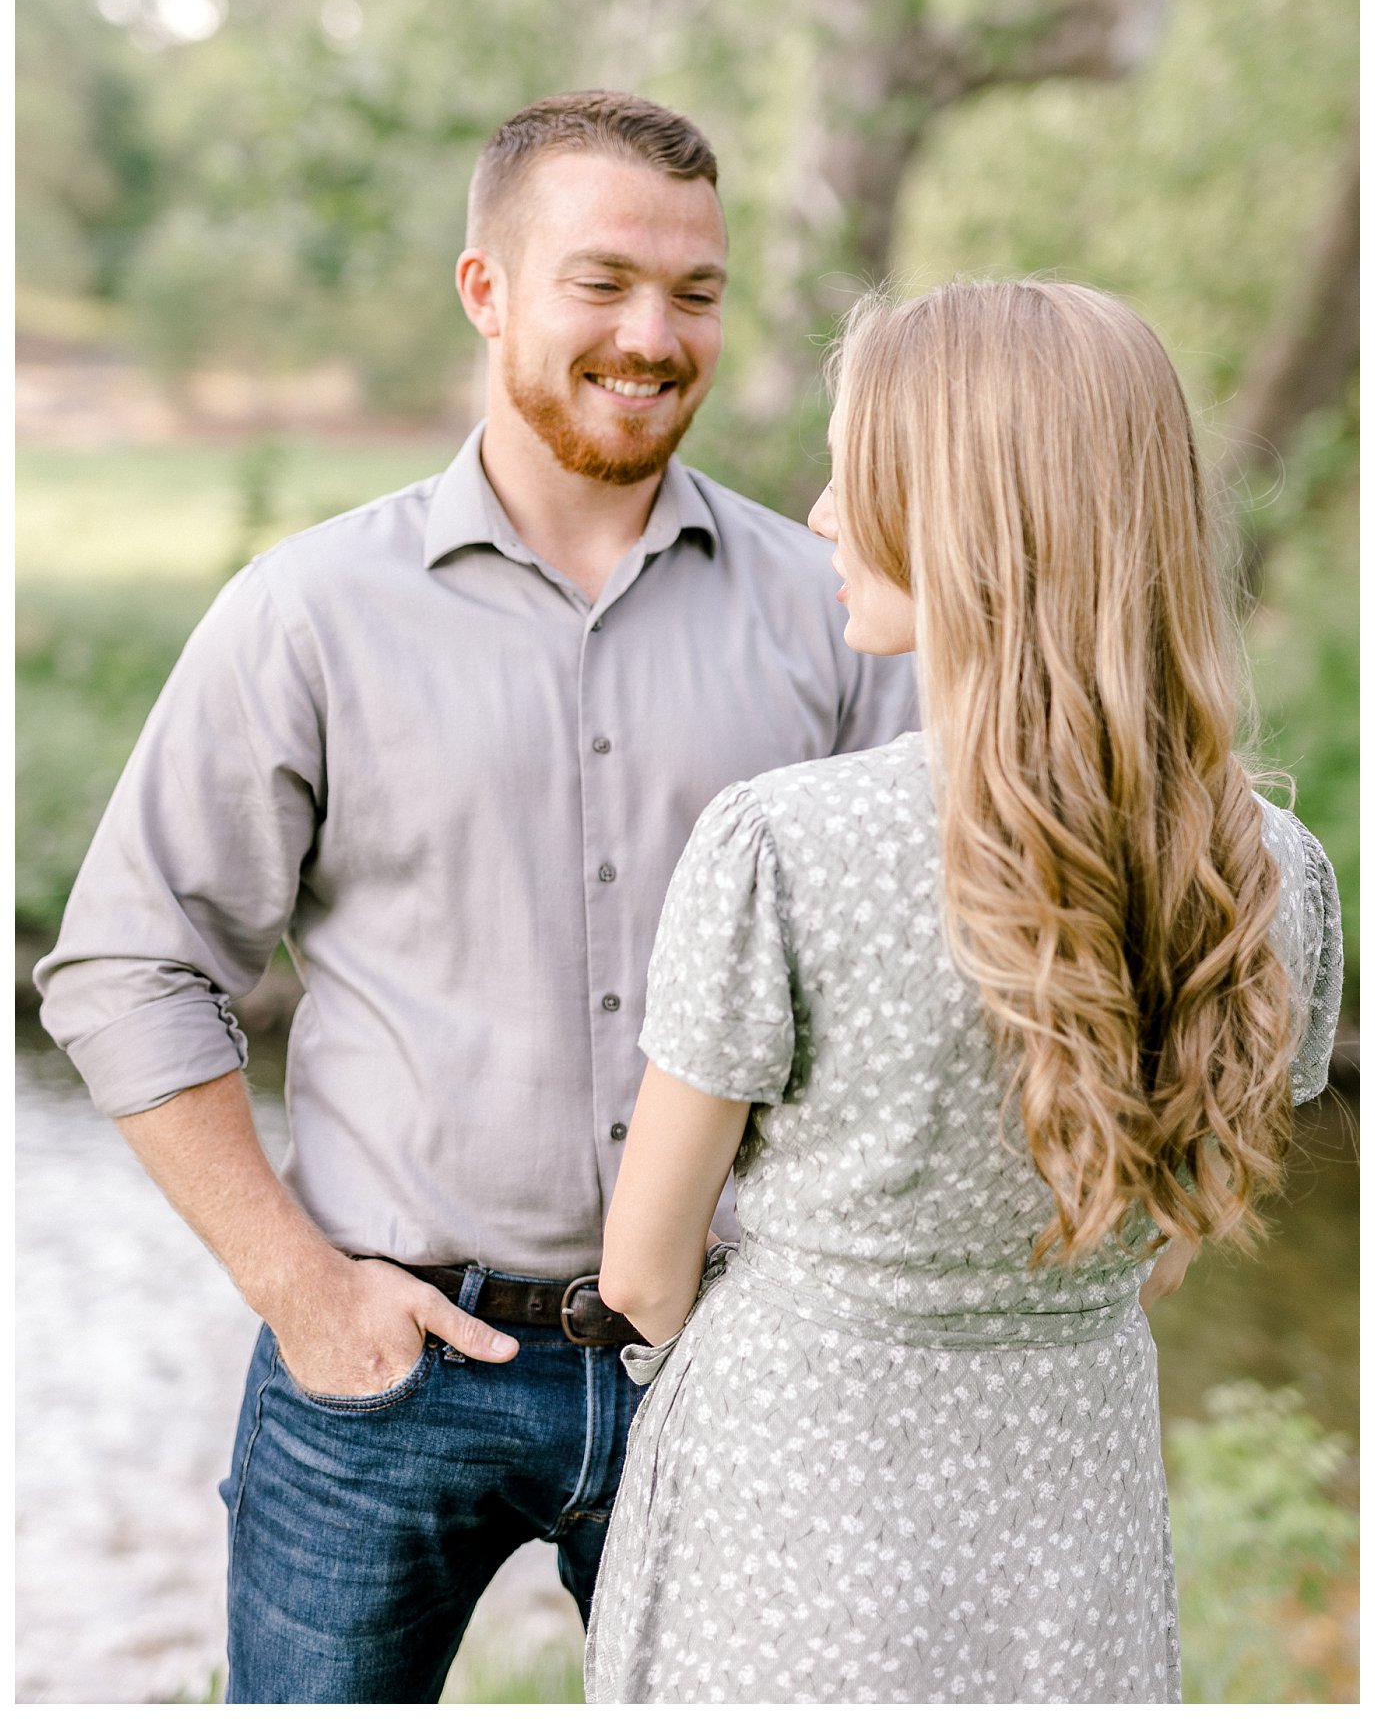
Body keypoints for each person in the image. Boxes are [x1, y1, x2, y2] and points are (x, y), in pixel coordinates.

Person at [34, 91, 916, 1705]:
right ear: (485, 290)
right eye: (603, 283)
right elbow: (124, 968)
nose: (655, 335)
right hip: (383, 1375)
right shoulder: (304, 614)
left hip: (732, 1362)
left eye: (697, 293)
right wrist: (303, 1293)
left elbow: (931, 982)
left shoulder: (834, 616)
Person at [584, 278, 1343, 1705]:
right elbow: (1163, 1233)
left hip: (795, 1523)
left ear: (969, 519)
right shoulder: (1274, 877)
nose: (816, 513)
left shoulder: (783, 849)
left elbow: (641, 1273)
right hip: (1074, 1517)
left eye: (854, 475)